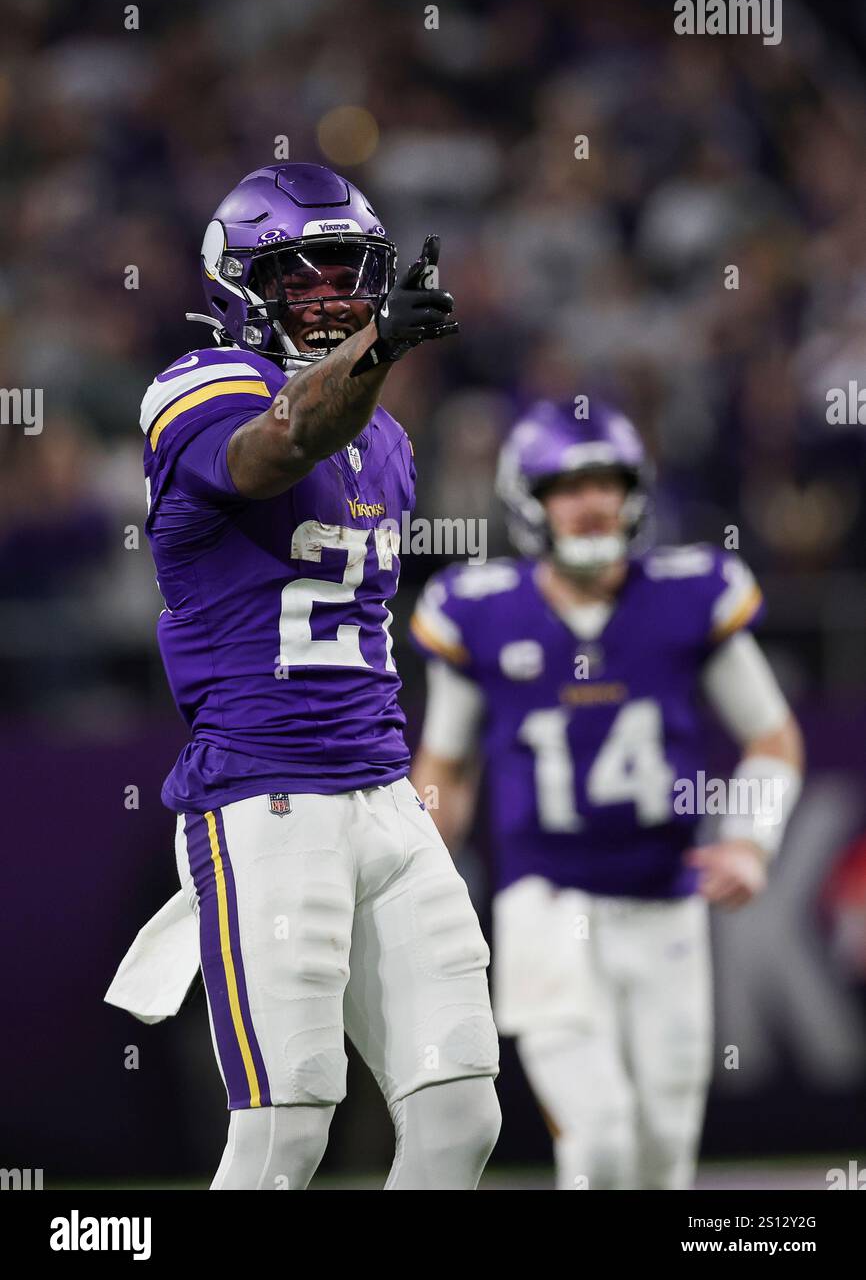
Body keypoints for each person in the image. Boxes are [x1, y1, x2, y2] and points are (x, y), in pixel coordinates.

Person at [108, 163, 500, 1190]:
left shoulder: (391, 442)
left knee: (459, 1108)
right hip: (264, 799)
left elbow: (338, 425)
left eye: (347, 276)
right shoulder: (199, 386)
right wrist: (380, 347)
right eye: (301, 277)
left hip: (385, 793)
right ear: (240, 287)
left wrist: (372, 361)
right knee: (286, 1127)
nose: (330, 297)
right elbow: (280, 444)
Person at [409, 397, 803, 1190]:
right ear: (529, 500)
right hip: (547, 907)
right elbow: (444, 770)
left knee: (661, 1157)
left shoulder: (693, 591)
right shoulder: (477, 611)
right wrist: (418, 880)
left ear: (635, 492)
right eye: (567, 484)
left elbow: (772, 739)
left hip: (668, 904)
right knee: (601, 1145)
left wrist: (750, 841)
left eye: (606, 481)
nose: (590, 502)